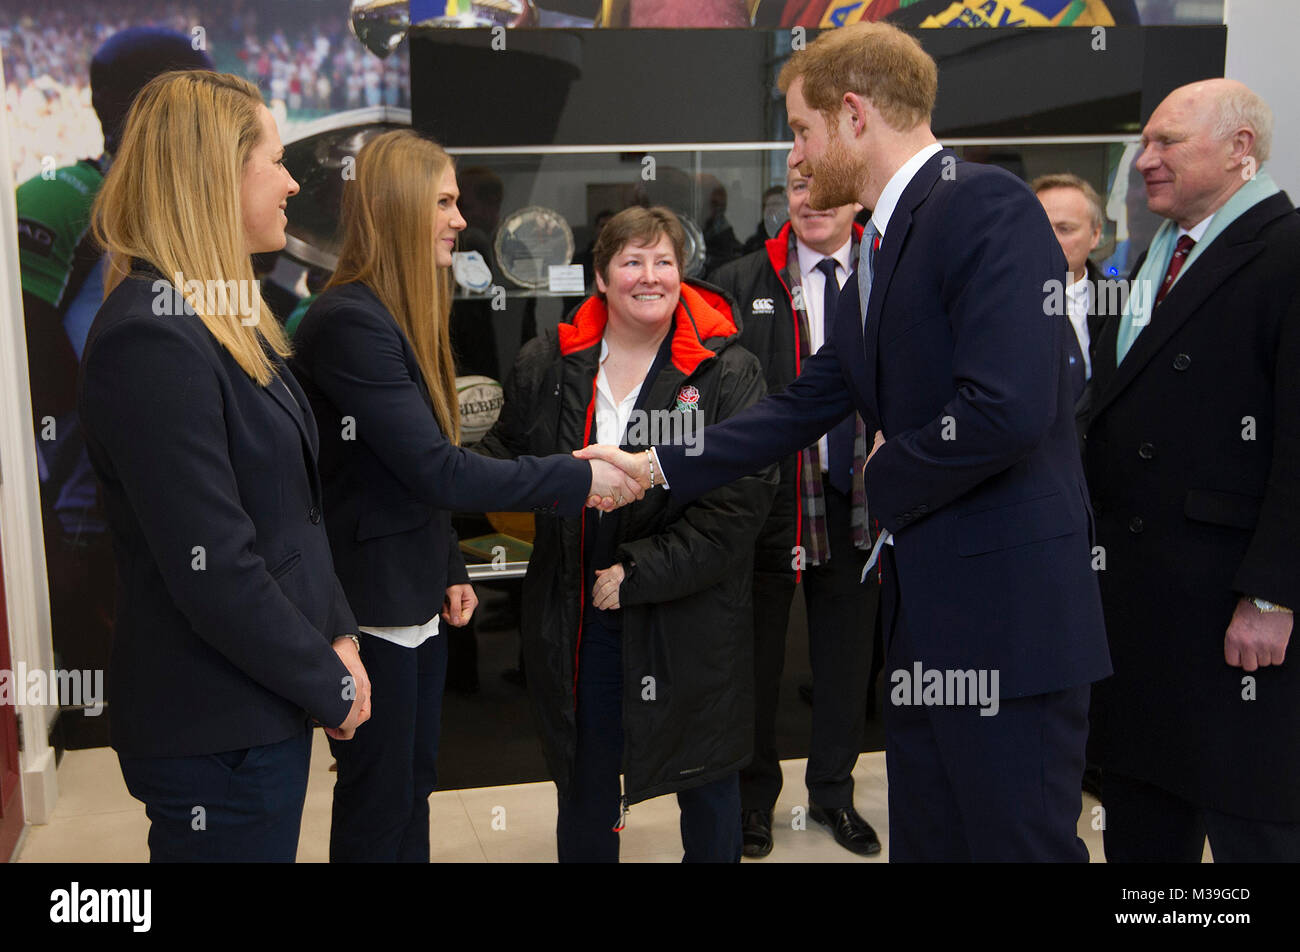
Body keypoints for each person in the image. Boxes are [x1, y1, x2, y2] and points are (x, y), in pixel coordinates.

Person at [578, 22, 1111, 861]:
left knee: (1016, 844)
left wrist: (888, 466)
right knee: (936, 840)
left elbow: (1006, 407)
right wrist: (653, 465)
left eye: (801, 128)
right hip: (929, 614)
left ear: (853, 115)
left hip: (1008, 621)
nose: (795, 152)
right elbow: (809, 400)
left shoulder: (984, 205)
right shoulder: (887, 236)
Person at [288, 130, 644, 863]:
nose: (459, 219)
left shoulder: (393, 314)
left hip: (411, 591)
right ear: (397, 206)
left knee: (413, 781)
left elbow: (402, 471)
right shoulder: (350, 320)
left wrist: (448, 559)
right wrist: (578, 477)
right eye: (443, 202)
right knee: (379, 794)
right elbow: (438, 470)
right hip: (372, 604)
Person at [78, 70, 372, 862]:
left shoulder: (222, 315)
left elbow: (290, 514)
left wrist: (337, 632)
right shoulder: (153, 336)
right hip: (213, 724)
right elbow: (213, 566)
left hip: (257, 704)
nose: (291, 180)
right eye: (274, 161)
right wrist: (326, 677)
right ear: (213, 174)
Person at [475, 206, 777, 862]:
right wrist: (539, 481)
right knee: (585, 784)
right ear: (601, 277)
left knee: (706, 783)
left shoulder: (729, 372)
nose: (650, 276)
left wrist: (638, 571)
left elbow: (740, 506)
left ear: (682, 272)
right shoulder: (546, 363)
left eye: (664, 261)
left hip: (689, 620)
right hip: (577, 617)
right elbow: (501, 463)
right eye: (632, 262)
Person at [1084, 79, 1300, 862]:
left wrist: (1273, 593)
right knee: (1145, 820)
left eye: (1167, 142)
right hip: (1143, 603)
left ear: (1241, 148)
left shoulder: (1286, 250)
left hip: (1232, 610)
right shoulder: (1158, 253)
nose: (1145, 161)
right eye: (1145, 144)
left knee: (1255, 824)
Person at [16, 27, 214, 745]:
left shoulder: (187, 216)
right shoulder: (61, 198)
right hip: (77, 498)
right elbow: (27, 356)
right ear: (148, 105)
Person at [709, 165, 880, 858]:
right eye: (798, 189)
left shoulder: (890, 268)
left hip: (861, 499)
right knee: (756, 662)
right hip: (766, 505)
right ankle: (753, 803)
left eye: (827, 188)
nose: (811, 202)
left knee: (846, 663)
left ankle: (834, 796)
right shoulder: (738, 279)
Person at [1033, 173, 1109, 415]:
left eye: (1065, 229)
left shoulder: (1121, 303)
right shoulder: (996, 304)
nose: (1050, 238)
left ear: (1095, 235)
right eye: (1040, 227)